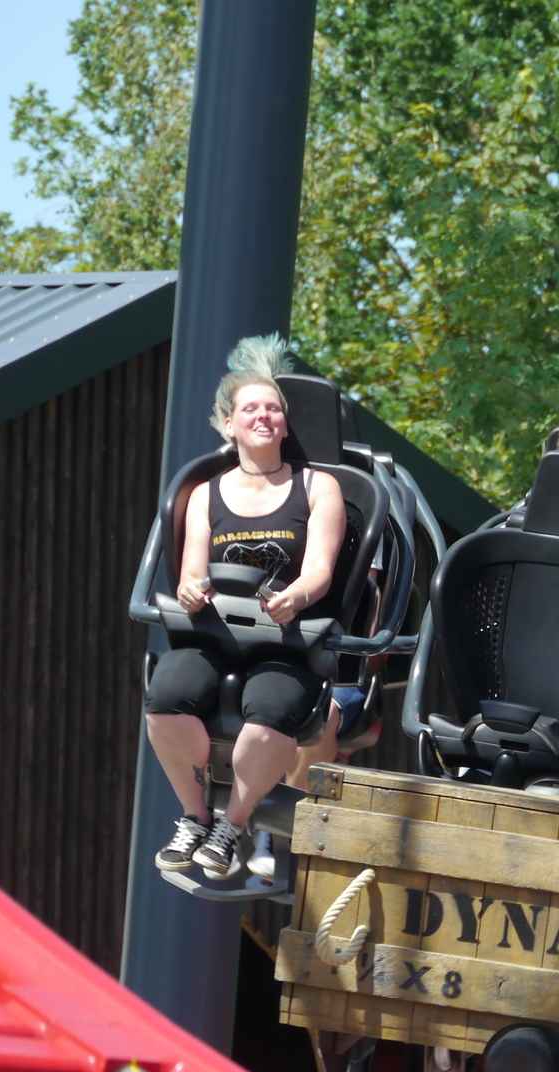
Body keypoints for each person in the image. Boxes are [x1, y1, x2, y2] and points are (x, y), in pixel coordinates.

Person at [146, 334, 346, 877]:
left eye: (273, 408)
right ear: (228, 424)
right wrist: (190, 589)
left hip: (283, 641)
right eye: (251, 408)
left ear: (286, 423)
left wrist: (296, 596)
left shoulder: (317, 487)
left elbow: (320, 571)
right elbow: (192, 568)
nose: (264, 416)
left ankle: (231, 824)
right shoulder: (206, 494)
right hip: (215, 636)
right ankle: (194, 817)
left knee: (269, 711)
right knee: (165, 696)